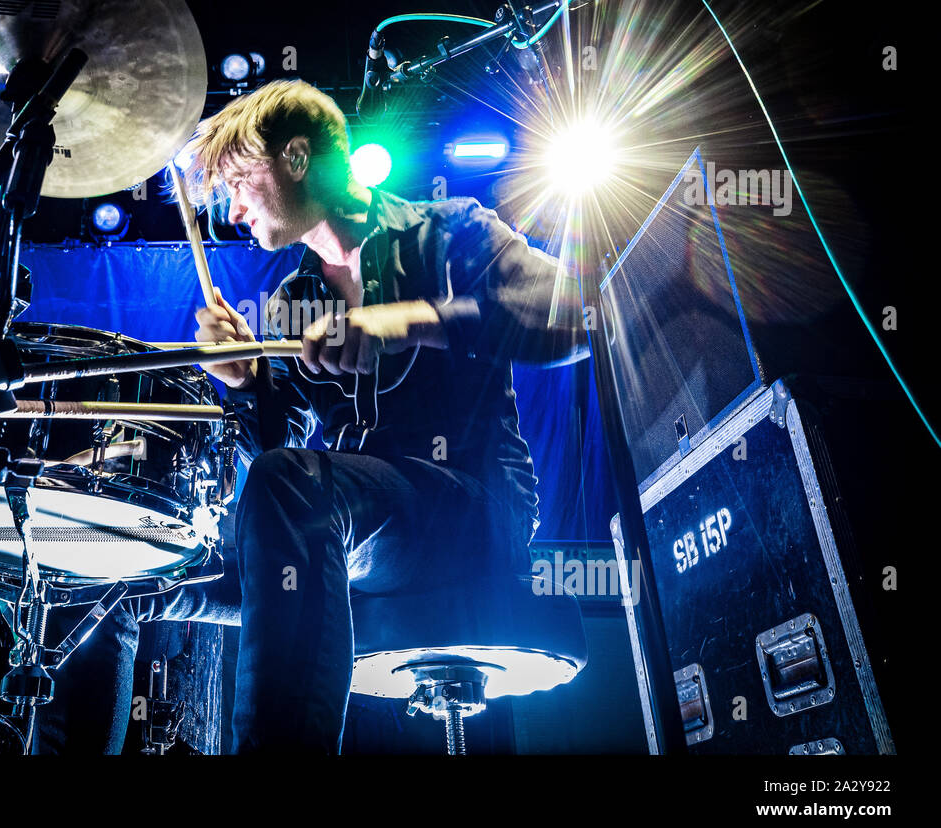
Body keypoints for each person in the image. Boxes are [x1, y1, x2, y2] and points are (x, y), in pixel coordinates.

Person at [44, 78, 588, 754]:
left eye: (240, 183)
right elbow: (273, 455)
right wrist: (250, 382)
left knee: (294, 487)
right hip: (340, 527)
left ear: (296, 158)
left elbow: (577, 316)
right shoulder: (293, 299)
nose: (234, 210)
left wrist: (411, 322)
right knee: (120, 569)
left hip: (470, 512)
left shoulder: (448, 233)